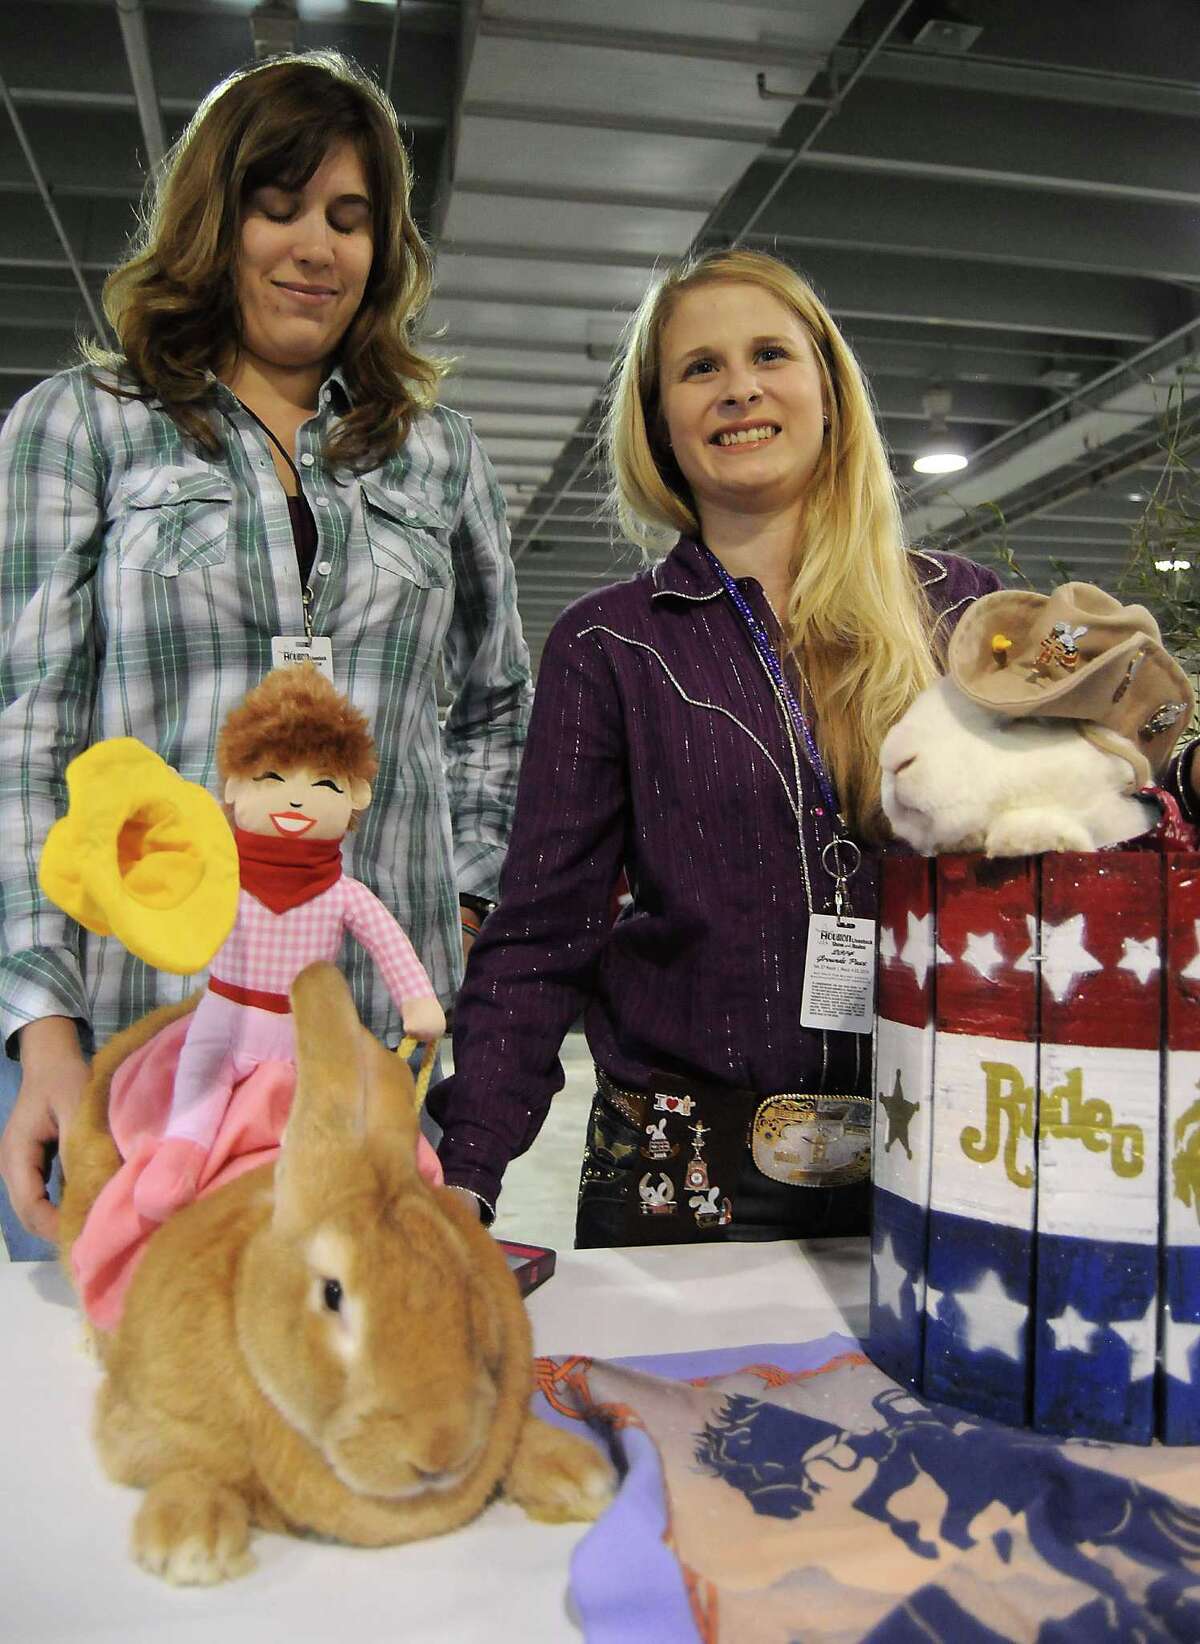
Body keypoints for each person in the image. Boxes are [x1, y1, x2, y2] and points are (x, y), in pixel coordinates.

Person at [0, 50, 530, 1255]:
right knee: (154, 1392)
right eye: (277, 207)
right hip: (148, 1037)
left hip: (369, 1055)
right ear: (212, 221)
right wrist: (41, 1028)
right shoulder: (81, 426)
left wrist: (462, 900)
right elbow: (22, 737)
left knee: (356, 1384)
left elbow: (499, 703)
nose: (317, 248)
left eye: (350, 219)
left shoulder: (438, 455)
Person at [429, 247, 1011, 1248]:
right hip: (681, 1180)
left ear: (827, 387)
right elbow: (540, 936)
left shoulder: (956, 607)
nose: (739, 387)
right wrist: (463, 1173)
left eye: (770, 354)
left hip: (941, 1163)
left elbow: (1075, 798)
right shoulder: (610, 645)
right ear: (659, 421)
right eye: (699, 369)